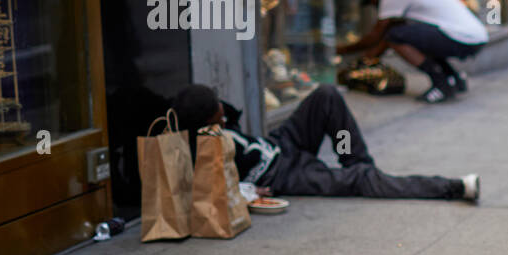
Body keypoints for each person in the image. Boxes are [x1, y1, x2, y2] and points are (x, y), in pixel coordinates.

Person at [171, 83, 478, 202]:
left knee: (327, 96)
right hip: (284, 176)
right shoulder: (199, 153)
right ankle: (452, 187)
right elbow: (203, 194)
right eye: (218, 119)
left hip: (282, 144)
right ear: (203, 124)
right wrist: (246, 192)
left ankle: (353, 162)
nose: (225, 121)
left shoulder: (212, 120)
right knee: (362, 180)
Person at [339, 0, 488, 104]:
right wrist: (369, 58)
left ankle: (441, 84)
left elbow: (376, 36)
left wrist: (341, 50)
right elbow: (384, 39)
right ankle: (454, 78)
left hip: (462, 37)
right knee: (411, 37)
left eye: (371, 0)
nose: (373, 5)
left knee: (396, 36)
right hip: (475, 36)